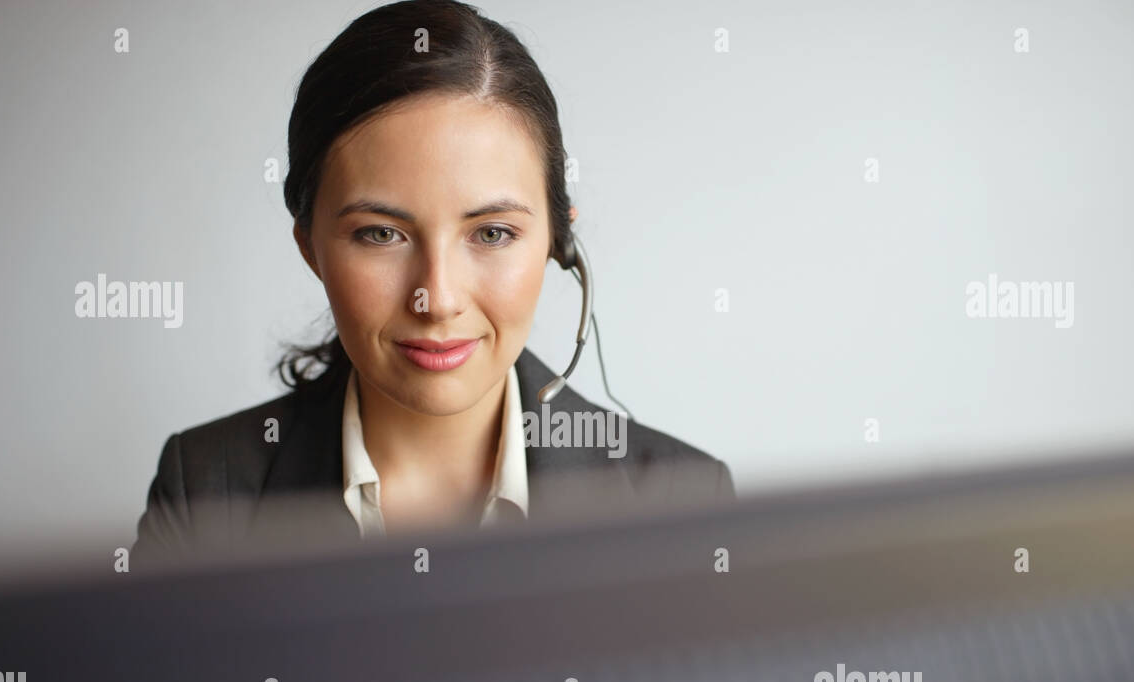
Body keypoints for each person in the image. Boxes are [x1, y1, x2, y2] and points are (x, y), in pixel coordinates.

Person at [132, 0, 734, 564]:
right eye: (380, 234)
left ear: (557, 242)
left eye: (492, 233)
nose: (436, 299)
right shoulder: (203, 496)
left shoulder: (683, 503)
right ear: (310, 247)